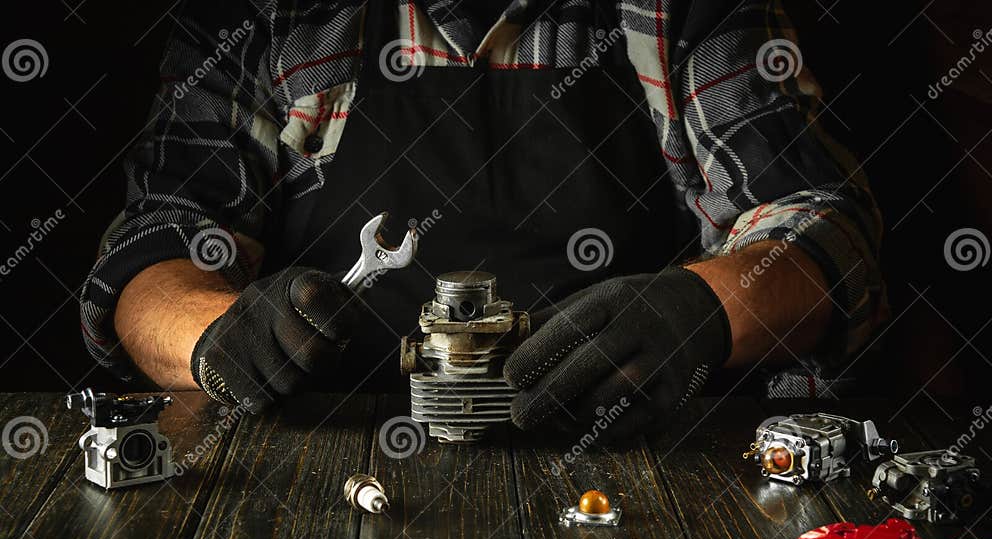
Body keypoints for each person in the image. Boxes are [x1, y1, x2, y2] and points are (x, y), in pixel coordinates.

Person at [80, 0, 885, 437]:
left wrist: (700, 310)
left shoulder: (684, 12)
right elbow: (159, 238)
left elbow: (822, 230)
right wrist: (215, 336)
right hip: (326, 468)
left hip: (631, 458)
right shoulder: (268, 15)